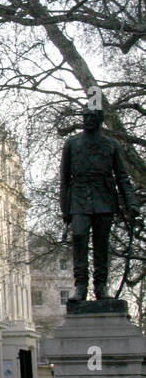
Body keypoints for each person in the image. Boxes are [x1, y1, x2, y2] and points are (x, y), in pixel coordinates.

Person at [60, 107, 141, 300]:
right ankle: (80, 285)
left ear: (100, 119)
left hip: (104, 198)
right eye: (85, 116)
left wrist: (132, 203)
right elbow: (64, 179)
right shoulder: (71, 143)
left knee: (101, 244)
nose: (87, 119)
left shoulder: (112, 144)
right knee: (79, 238)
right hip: (79, 198)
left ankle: (101, 286)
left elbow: (122, 177)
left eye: (92, 116)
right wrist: (65, 208)